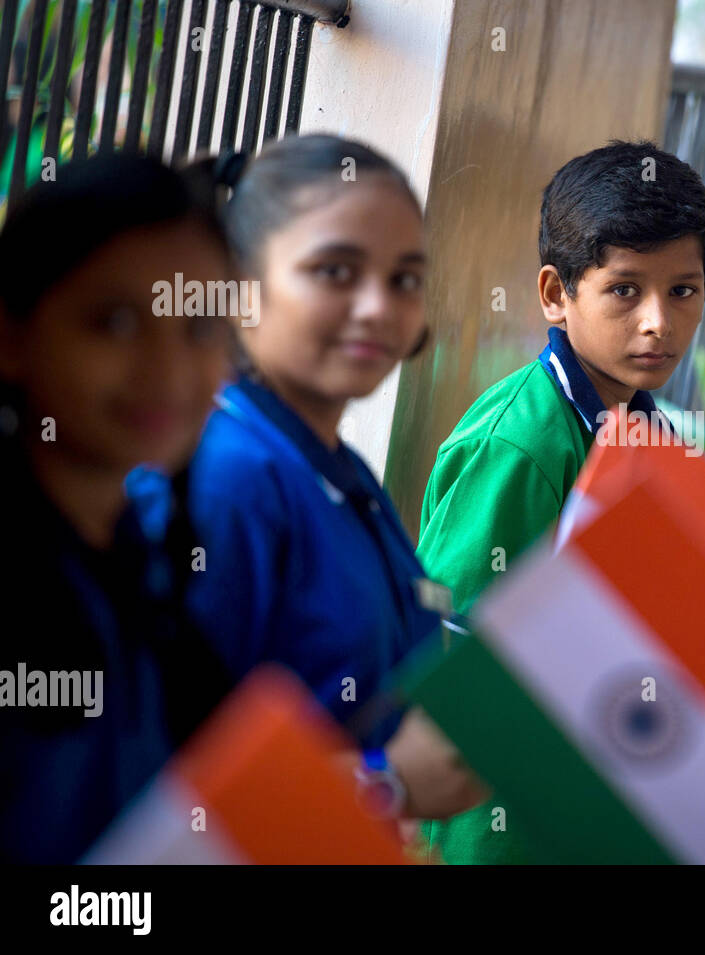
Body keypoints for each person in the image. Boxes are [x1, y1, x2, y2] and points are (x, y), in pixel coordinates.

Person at [151, 135, 483, 827]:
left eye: (405, 279)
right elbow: (159, 789)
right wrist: (382, 784)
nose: (378, 307)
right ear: (240, 286)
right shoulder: (225, 480)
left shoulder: (336, 465)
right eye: (336, 271)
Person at [416, 139, 705, 863]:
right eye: (625, 290)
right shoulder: (522, 443)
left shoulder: (645, 428)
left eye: (684, 290)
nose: (659, 321)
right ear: (556, 294)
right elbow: (450, 647)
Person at [0, 153, 235, 862]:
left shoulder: (138, 559)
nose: (166, 372)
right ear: (11, 335)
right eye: (115, 322)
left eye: (198, 330)